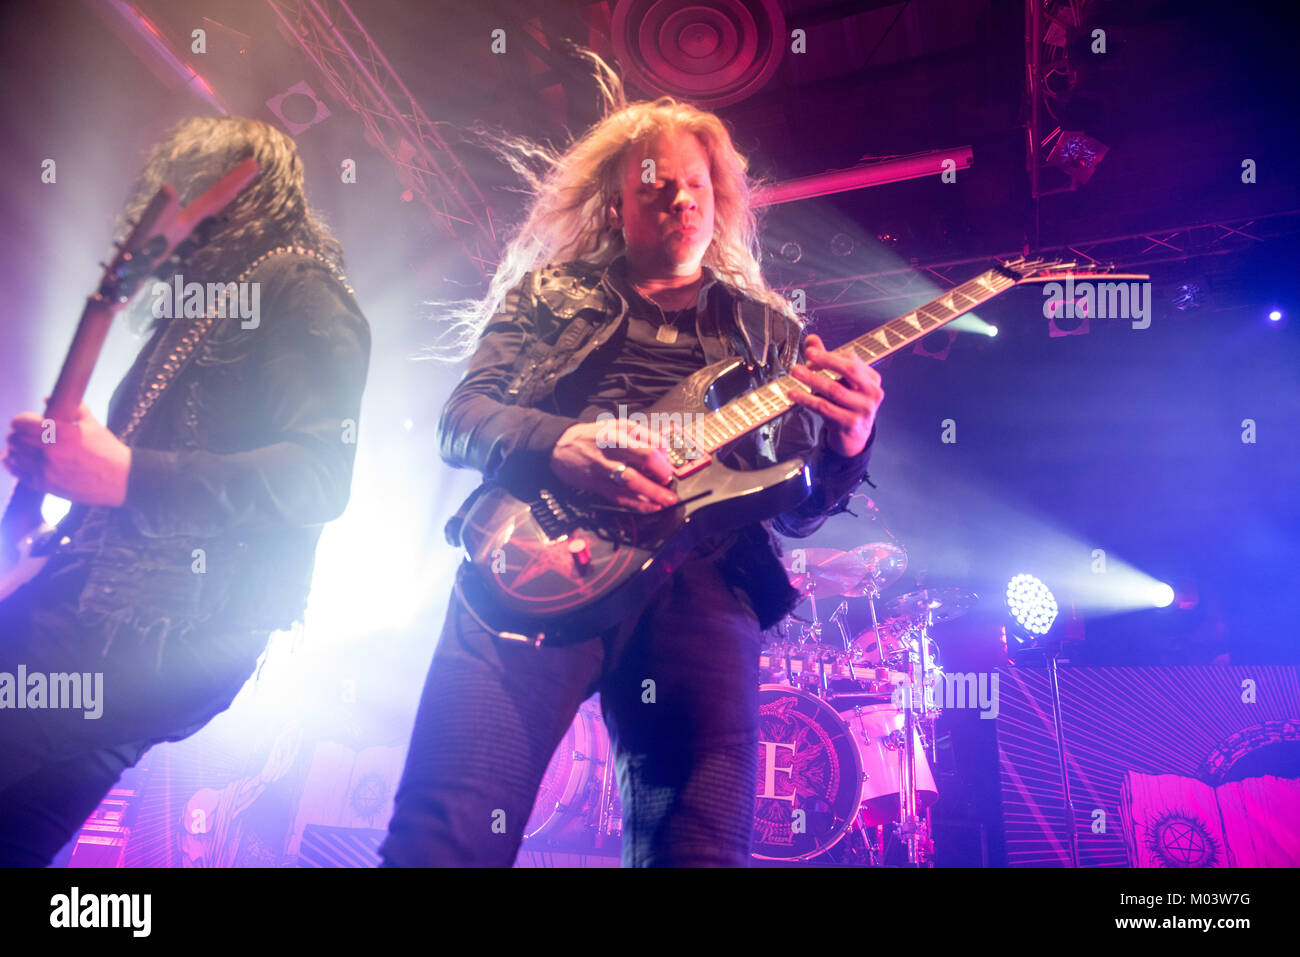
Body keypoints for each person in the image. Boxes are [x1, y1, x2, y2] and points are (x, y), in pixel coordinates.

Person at [381, 66, 883, 867]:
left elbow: (794, 508)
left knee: (698, 852)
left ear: (716, 200)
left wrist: (848, 444)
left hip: (705, 583)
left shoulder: (768, 334)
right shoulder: (550, 294)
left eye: (696, 185)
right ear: (616, 203)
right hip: (539, 553)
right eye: (655, 184)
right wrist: (559, 443)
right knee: (444, 839)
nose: (680, 199)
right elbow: (461, 419)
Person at [0, 117, 370, 866]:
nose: (164, 226)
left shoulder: (301, 291)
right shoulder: (199, 310)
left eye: (182, 194)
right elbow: (132, 479)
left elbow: (320, 475)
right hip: (134, 627)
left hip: (162, 627)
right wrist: (65, 504)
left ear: (230, 194)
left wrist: (126, 474)